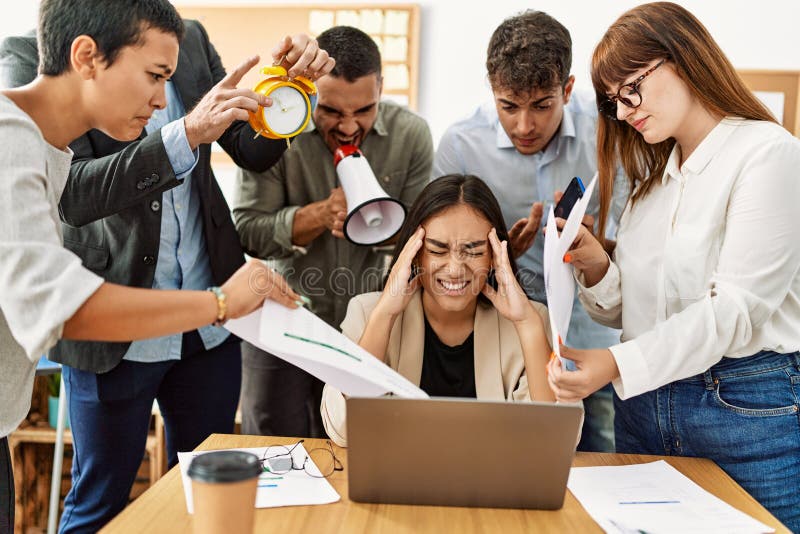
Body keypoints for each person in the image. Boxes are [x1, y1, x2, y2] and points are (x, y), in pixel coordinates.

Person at [0, 1, 334, 531]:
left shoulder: (183, 40)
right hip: (119, 335)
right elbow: (71, 222)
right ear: (85, 56)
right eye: (154, 78)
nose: (162, 102)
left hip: (202, 336)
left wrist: (284, 92)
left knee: (208, 491)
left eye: (167, 79)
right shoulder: (21, 111)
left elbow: (247, 141)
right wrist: (223, 301)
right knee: (100, 499)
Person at [546, 2, 800, 530]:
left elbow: (735, 312)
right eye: (613, 100)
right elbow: (636, 307)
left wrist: (612, 365)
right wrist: (595, 264)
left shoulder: (768, 154)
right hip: (643, 406)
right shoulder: (655, 180)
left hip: (744, 408)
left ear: (681, 59)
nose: (622, 112)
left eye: (630, 89)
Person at [432, 10, 627, 452]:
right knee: (509, 459)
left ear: (569, 89)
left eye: (541, 105)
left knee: (601, 456)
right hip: (499, 336)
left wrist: (600, 245)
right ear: (492, 91)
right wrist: (500, 252)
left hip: (590, 335)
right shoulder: (460, 145)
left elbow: (636, 241)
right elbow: (437, 250)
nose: (524, 126)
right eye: (508, 106)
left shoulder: (609, 136)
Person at [234, 25, 432, 438]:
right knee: (275, 445)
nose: (347, 127)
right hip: (282, 323)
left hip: (367, 326)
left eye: (364, 110)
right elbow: (246, 231)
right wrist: (317, 216)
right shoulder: (273, 129)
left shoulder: (410, 135)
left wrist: (375, 223)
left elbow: (422, 233)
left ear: (381, 88)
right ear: (308, 92)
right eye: (331, 111)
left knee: (357, 445)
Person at [321, 175, 558, 446]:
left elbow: (553, 439)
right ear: (415, 253)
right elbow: (343, 430)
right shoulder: (367, 312)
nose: (455, 268)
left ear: (495, 256)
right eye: (437, 250)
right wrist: (384, 316)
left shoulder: (532, 319)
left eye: (473, 251)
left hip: (493, 483)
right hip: (399, 482)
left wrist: (527, 324)